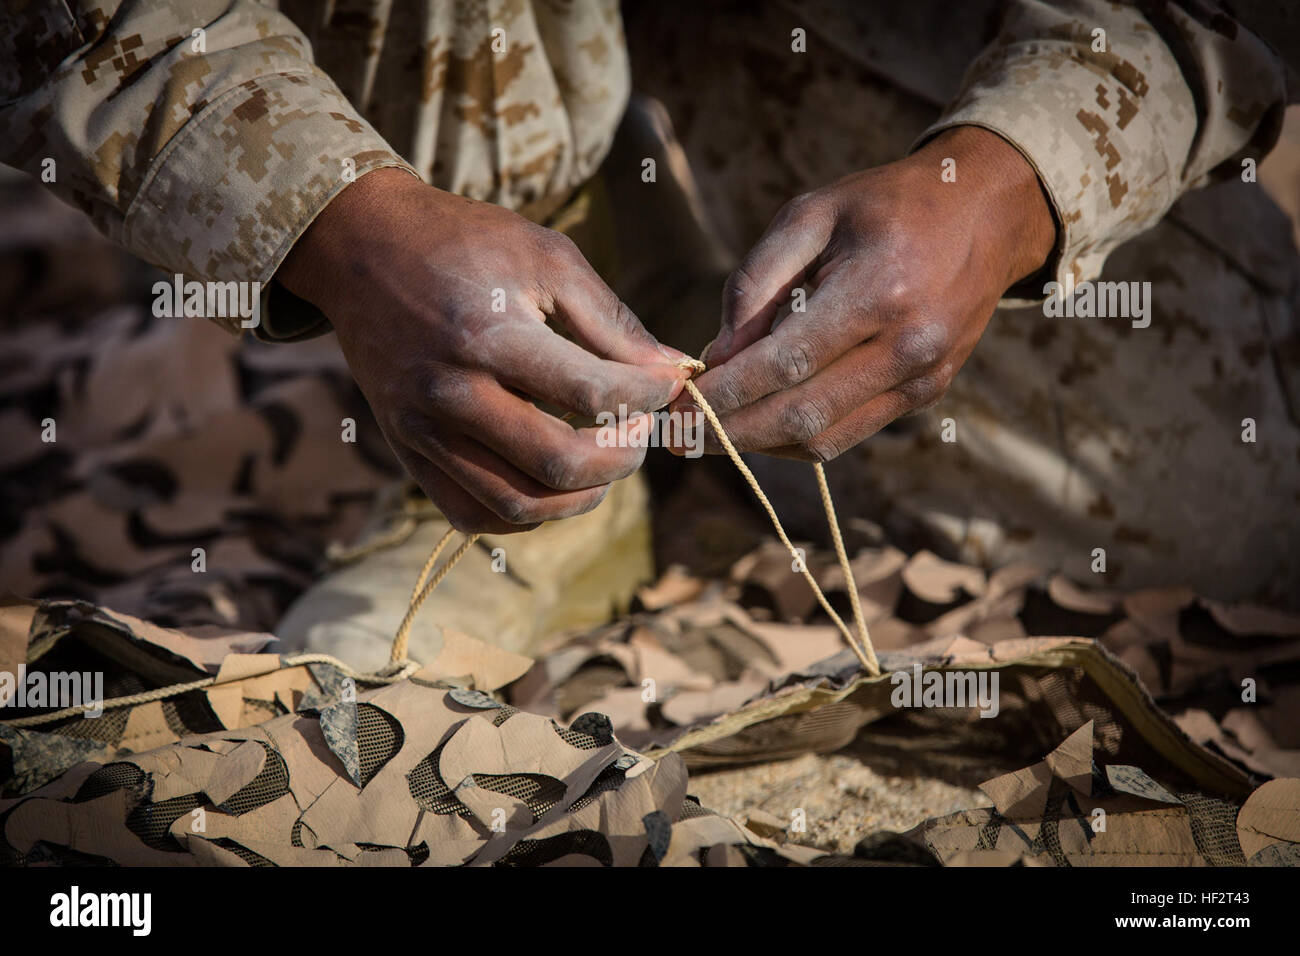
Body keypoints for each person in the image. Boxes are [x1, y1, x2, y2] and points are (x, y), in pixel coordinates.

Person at [2, 0, 1297, 643]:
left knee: (1215, 527)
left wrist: (1014, 181)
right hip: (455, 35)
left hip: (898, 42)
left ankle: (644, 228)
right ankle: (527, 309)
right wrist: (343, 224)